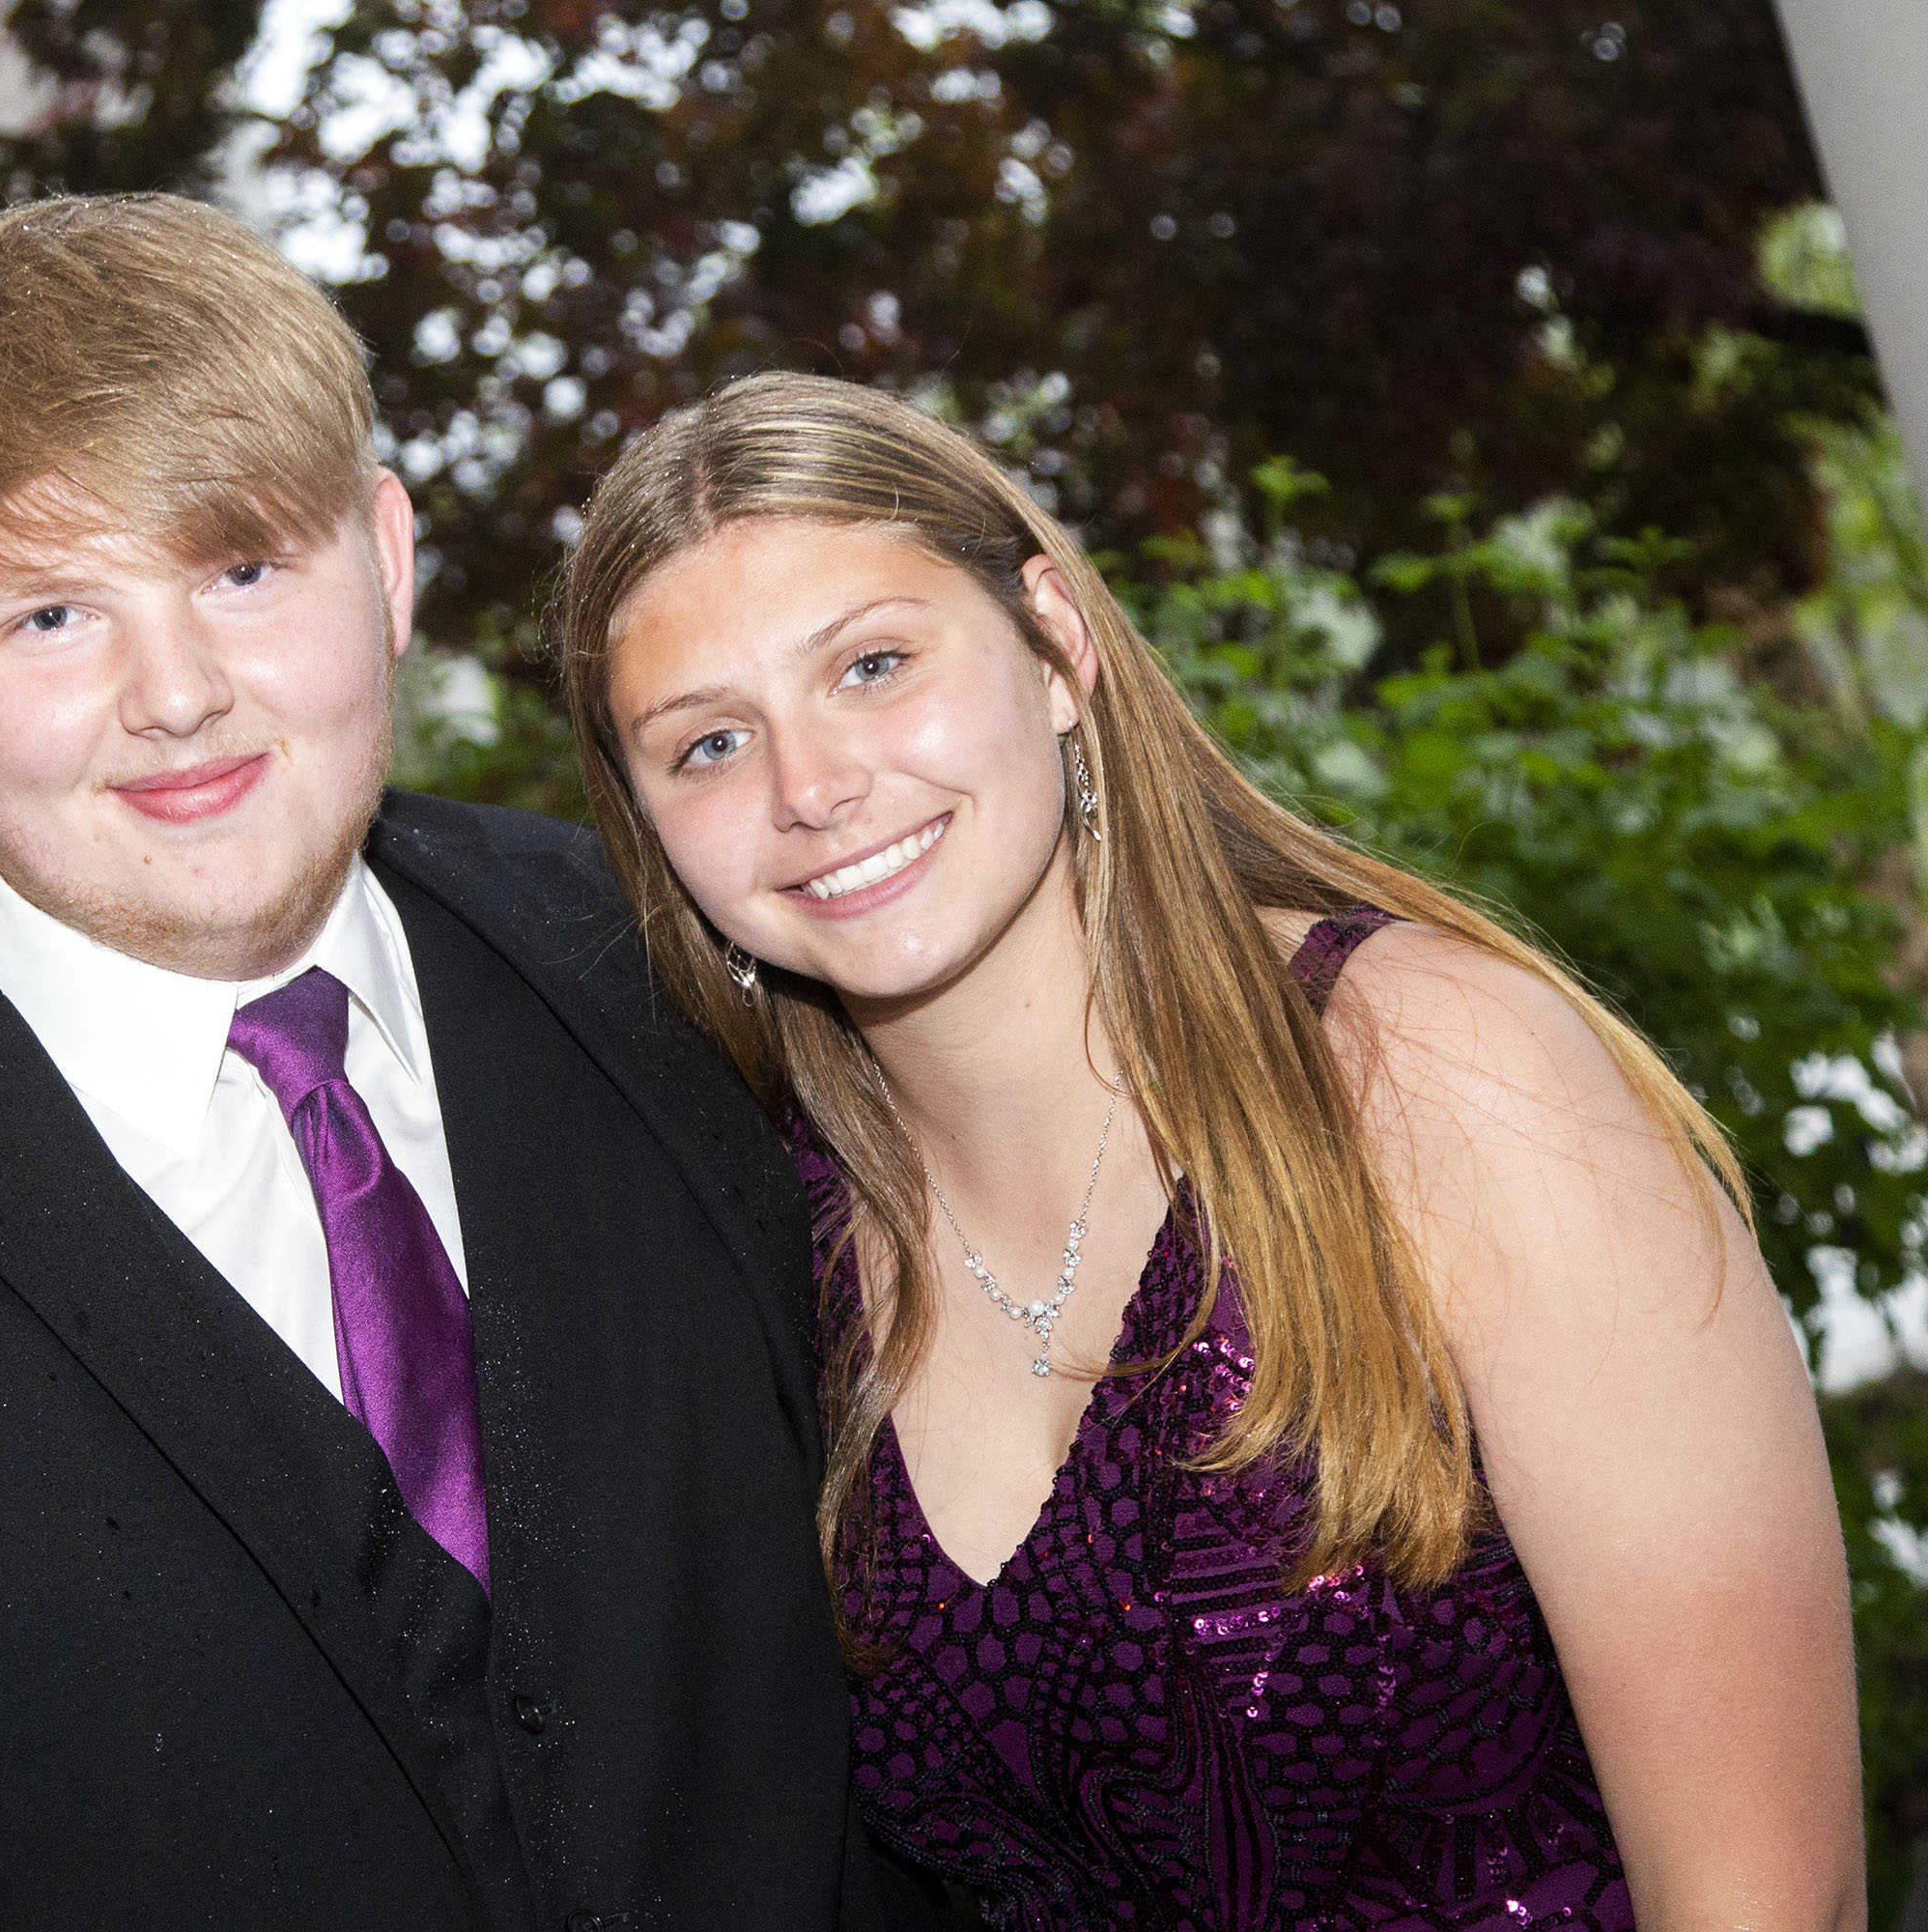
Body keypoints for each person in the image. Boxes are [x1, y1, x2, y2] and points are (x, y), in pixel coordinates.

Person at [0, 203, 943, 1930]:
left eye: (242, 571)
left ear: (385, 563)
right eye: (49, 616)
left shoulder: (666, 953)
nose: (174, 695)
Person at [551, 371, 1864, 1930]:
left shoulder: (1430, 1078)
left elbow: (1773, 1896)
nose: (812, 788)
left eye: (874, 664)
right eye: (708, 744)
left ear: (1055, 644)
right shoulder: (773, 1250)